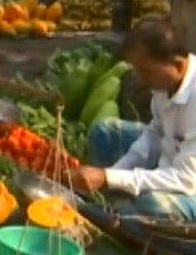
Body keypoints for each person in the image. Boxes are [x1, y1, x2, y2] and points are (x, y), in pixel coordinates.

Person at [72, 18, 196, 220]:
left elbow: (186, 179)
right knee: (104, 132)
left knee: (152, 204)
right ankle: (110, 202)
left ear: (178, 66)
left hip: (190, 184)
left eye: (147, 71)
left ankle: (129, 223)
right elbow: (155, 133)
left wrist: (110, 178)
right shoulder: (164, 83)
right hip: (173, 158)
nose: (140, 78)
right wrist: (112, 173)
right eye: (137, 69)